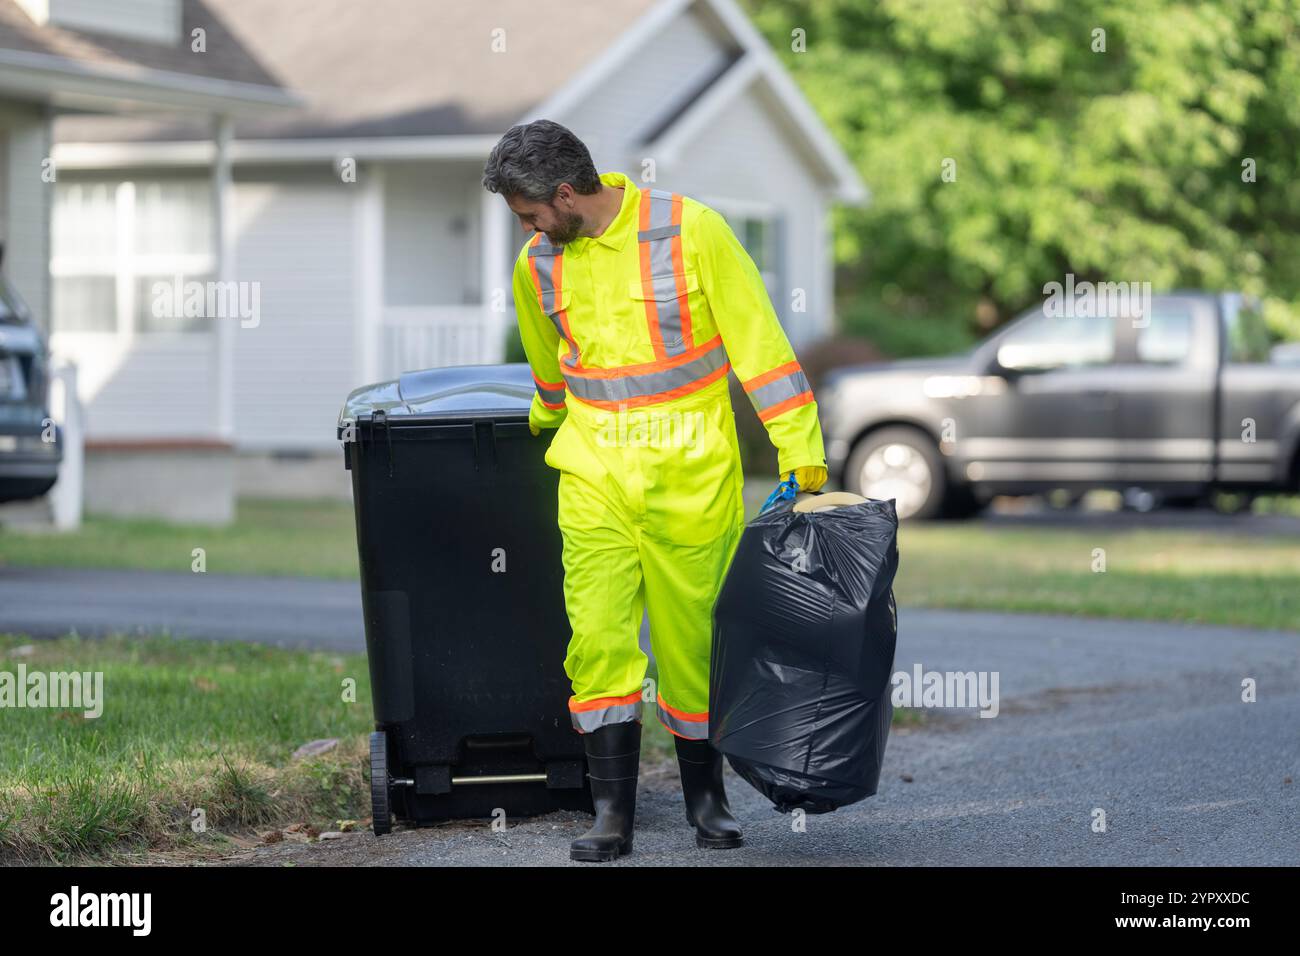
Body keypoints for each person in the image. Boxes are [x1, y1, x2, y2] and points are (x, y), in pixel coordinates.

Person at [482, 119, 827, 862]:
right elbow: (550, 369)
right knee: (598, 638)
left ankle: (708, 800)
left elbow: (759, 347)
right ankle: (613, 815)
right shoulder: (538, 265)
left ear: (566, 194)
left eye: (531, 213)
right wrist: (545, 422)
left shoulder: (690, 231)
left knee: (692, 643)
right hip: (593, 477)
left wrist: (802, 452)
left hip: (690, 477)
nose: (530, 229)